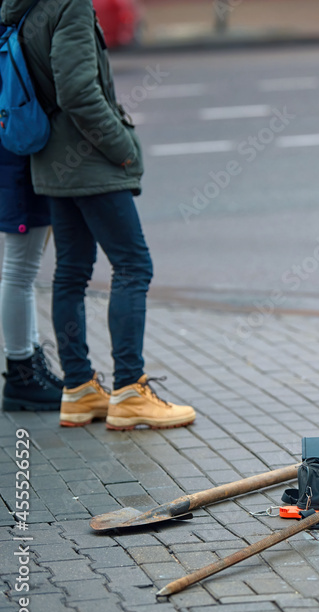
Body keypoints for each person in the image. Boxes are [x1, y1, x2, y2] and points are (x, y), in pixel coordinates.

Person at [1, 0, 195, 429]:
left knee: (71, 271)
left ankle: (78, 390)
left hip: (50, 158)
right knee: (133, 265)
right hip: (89, 161)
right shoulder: (66, 4)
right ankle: (128, 390)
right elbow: (77, 91)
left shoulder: (23, 7)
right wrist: (122, 147)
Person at [1, 144, 64, 411]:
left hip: (20, 163)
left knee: (22, 273)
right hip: (19, 165)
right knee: (19, 272)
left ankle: (30, 363)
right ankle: (21, 373)